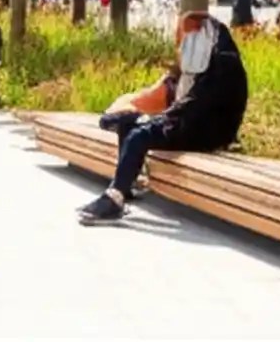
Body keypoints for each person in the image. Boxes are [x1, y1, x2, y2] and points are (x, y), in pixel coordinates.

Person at [79, 12, 248, 225]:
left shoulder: (223, 67)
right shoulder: (205, 62)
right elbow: (166, 99)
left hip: (206, 132)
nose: (180, 45)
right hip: (190, 122)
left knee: (139, 136)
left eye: (183, 39)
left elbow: (198, 107)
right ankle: (125, 188)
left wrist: (162, 119)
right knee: (128, 123)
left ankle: (114, 200)